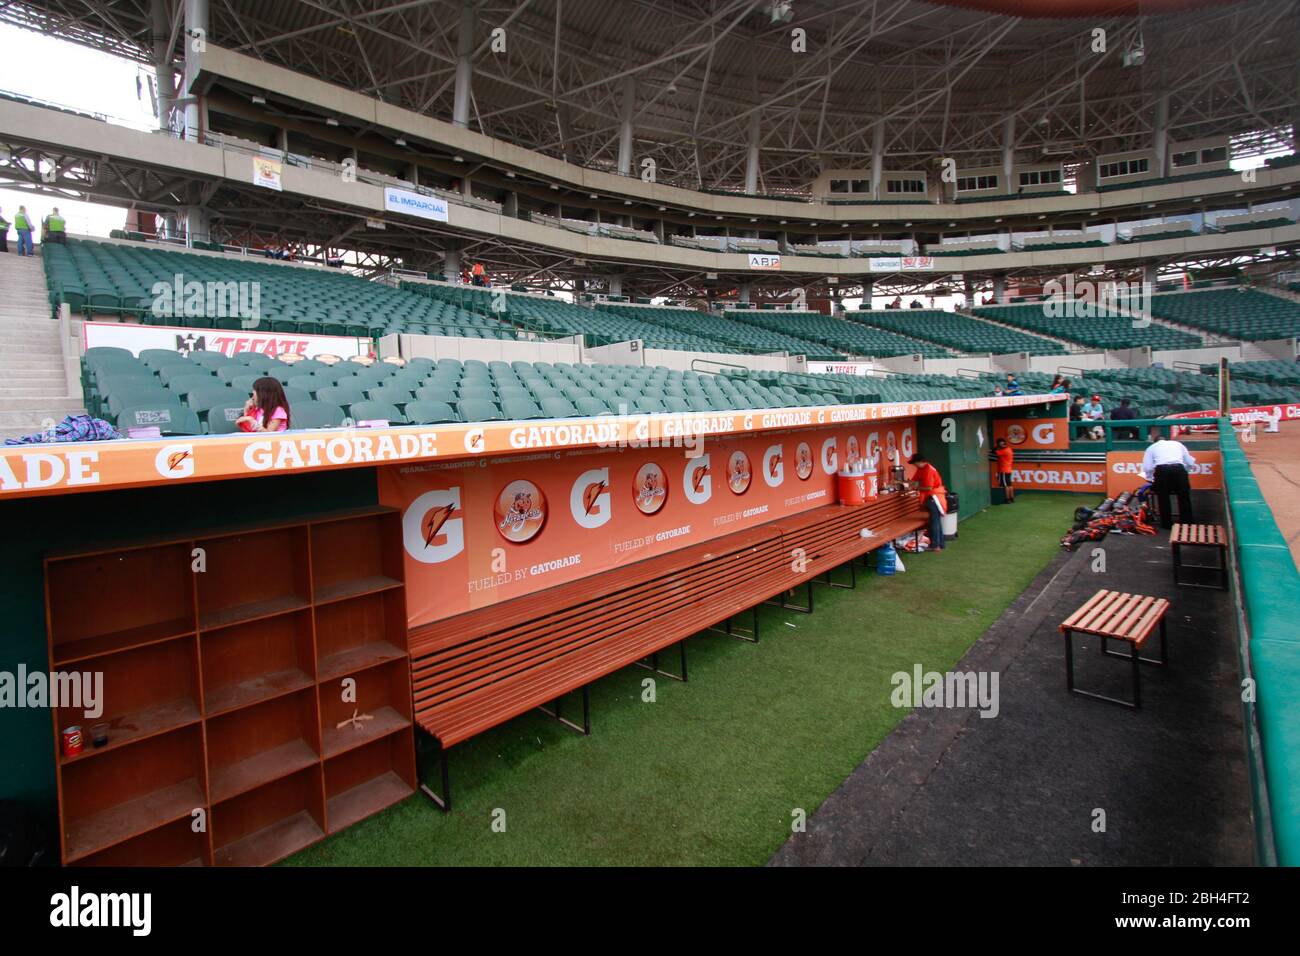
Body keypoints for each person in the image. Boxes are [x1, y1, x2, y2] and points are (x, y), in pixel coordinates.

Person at [1142, 435, 1196, 529]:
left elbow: (1148, 467)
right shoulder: (1178, 444)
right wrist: (1185, 470)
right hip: (1179, 469)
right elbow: (1190, 462)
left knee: (1163, 497)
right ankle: (1187, 521)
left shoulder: (1151, 448)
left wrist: (1150, 478)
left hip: (1162, 471)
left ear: (1155, 442)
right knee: (1184, 496)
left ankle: (1166, 523)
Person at [908, 452, 947, 553]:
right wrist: (900, 482)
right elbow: (914, 480)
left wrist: (916, 488)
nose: (914, 465)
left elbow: (928, 487)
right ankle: (940, 544)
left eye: (915, 463)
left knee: (934, 522)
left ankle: (935, 546)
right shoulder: (921, 469)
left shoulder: (928, 470)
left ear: (921, 461)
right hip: (932, 497)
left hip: (934, 497)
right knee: (936, 521)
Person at [994, 438, 1015, 503]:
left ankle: (1007, 499)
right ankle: (1012, 498)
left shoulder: (1004, 450)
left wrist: (997, 447)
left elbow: (995, 452)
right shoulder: (1009, 449)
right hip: (1008, 470)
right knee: (1009, 485)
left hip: (1004, 470)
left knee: (1006, 485)